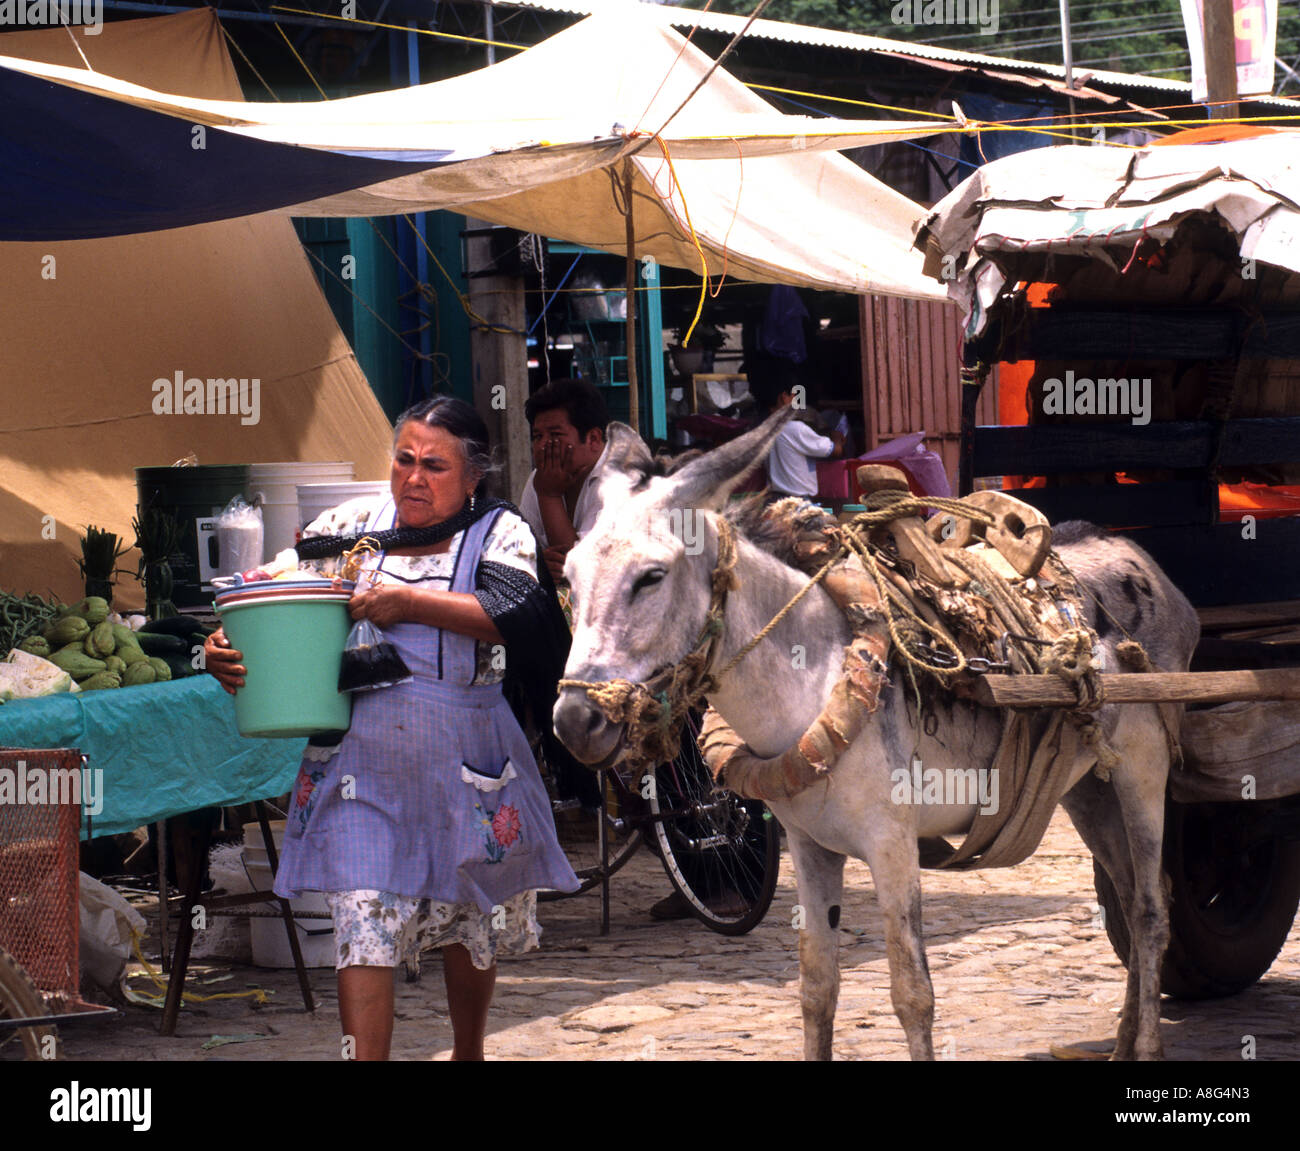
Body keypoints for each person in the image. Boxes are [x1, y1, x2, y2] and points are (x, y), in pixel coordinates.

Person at [204, 396, 579, 1061]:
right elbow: (272, 587)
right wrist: (224, 642)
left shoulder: (497, 532)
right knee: (362, 917)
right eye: (404, 459)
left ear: (472, 477)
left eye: (434, 465)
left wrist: (408, 602)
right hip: (362, 764)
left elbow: (525, 617)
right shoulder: (353, 525)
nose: (412, 477)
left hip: (467, 761)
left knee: (468, 917)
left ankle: (469, 1050)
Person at [518, 378, 609, 582]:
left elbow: (579, 572)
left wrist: (549, 495)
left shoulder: (621, 480)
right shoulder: (539, 478)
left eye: (555, 435)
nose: (542, 446)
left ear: (593, 439)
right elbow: (520, 553)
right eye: (537, 436)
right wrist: (540, 564)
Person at [753, 372, 844, 499]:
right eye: (794, 396)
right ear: (784, 397)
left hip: (774, 499)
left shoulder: (762, 429)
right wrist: (837, 437)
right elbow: (835, 450)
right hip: (799, 501)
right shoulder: (796, 429)